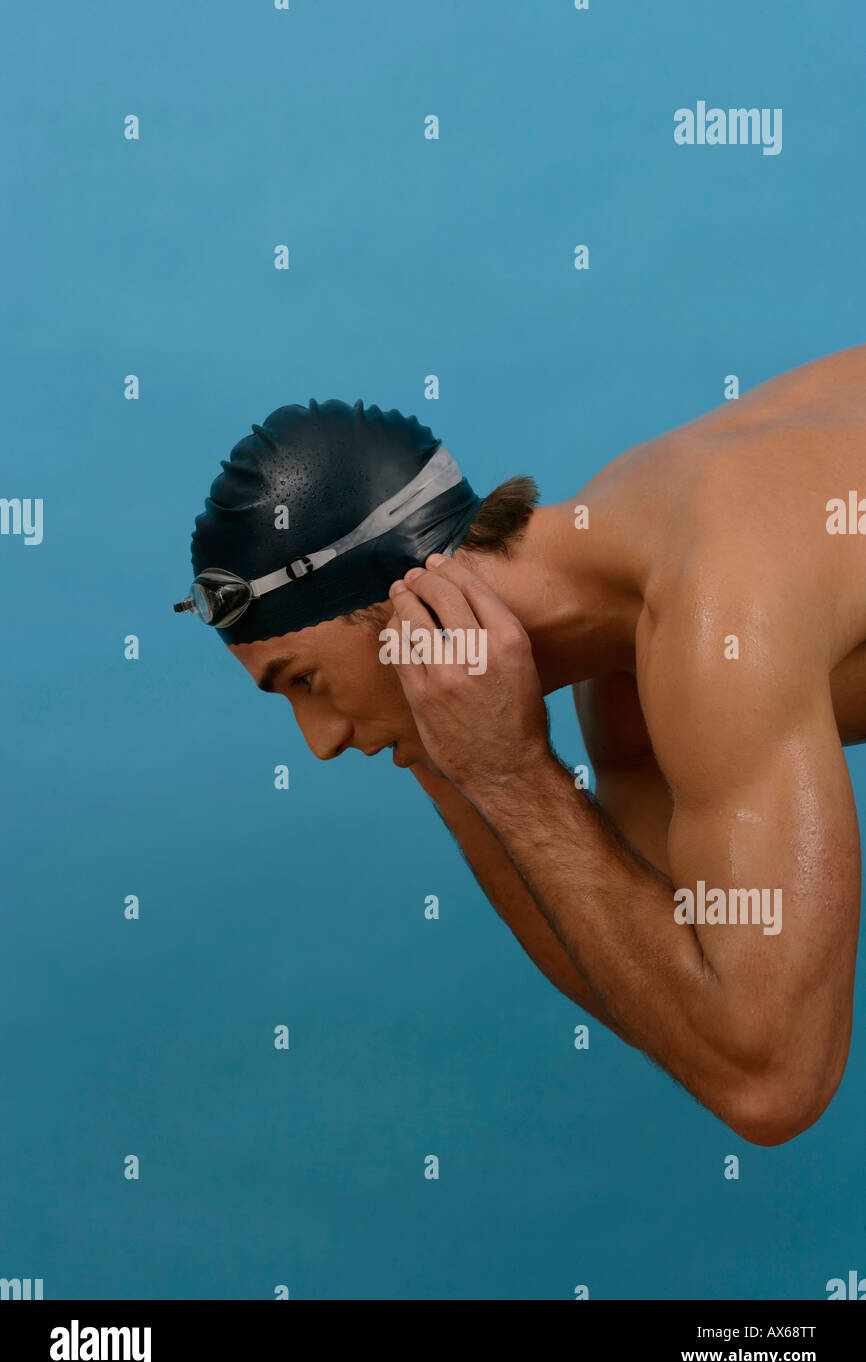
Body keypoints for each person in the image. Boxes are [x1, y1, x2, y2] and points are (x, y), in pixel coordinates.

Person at [175, 343, 866, 1146]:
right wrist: (458, 769)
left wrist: (510, 776)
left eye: (303, 681)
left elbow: (775, 1080)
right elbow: (666, 996)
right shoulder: (628, 625)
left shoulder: (720, 610)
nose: (320, 742)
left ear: (409, 594)